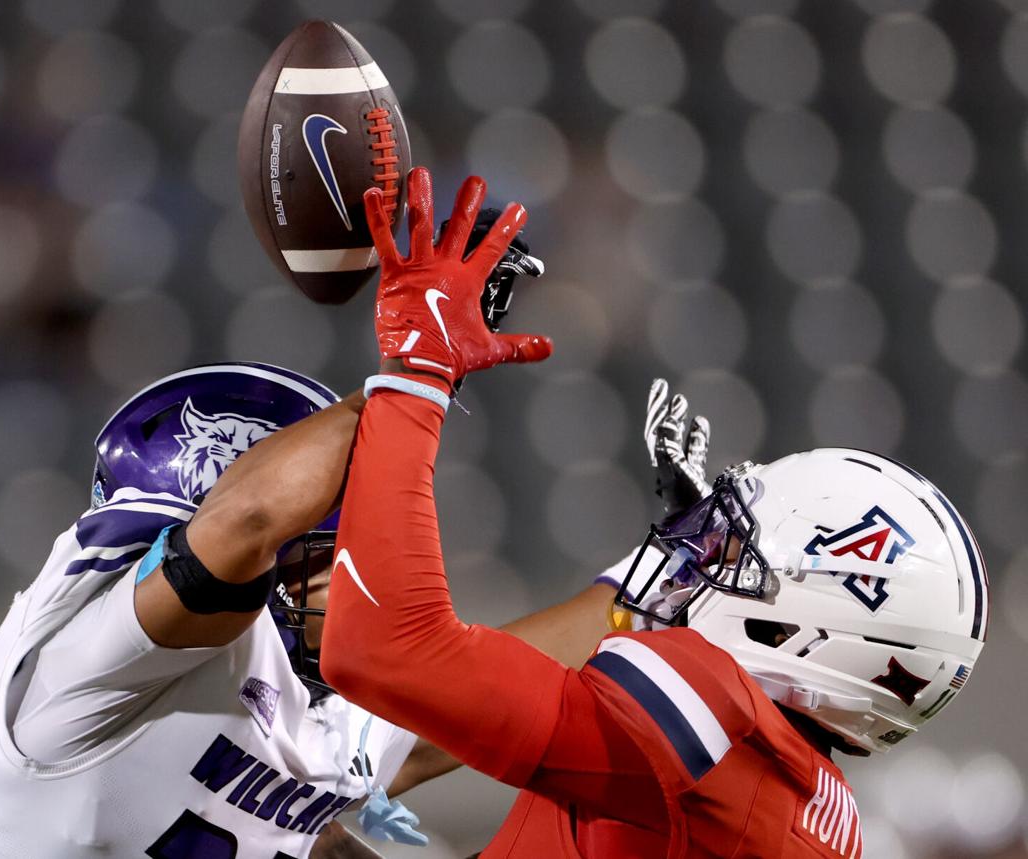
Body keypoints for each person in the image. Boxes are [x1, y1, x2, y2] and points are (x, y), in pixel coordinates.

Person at [320, 166, 990, 857]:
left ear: (813, 629)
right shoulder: (792, 795)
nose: (713, 548)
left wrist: (417, 375)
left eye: (737, 548)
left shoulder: (712, 731)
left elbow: (386, 649)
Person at [0, 220, 612, 855]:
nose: (352, 566)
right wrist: (417, 373)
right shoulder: (82, 665)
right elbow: (246, 524)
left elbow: (468, 698)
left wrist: (666, 573)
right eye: (321, 550)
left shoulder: (291, 701)